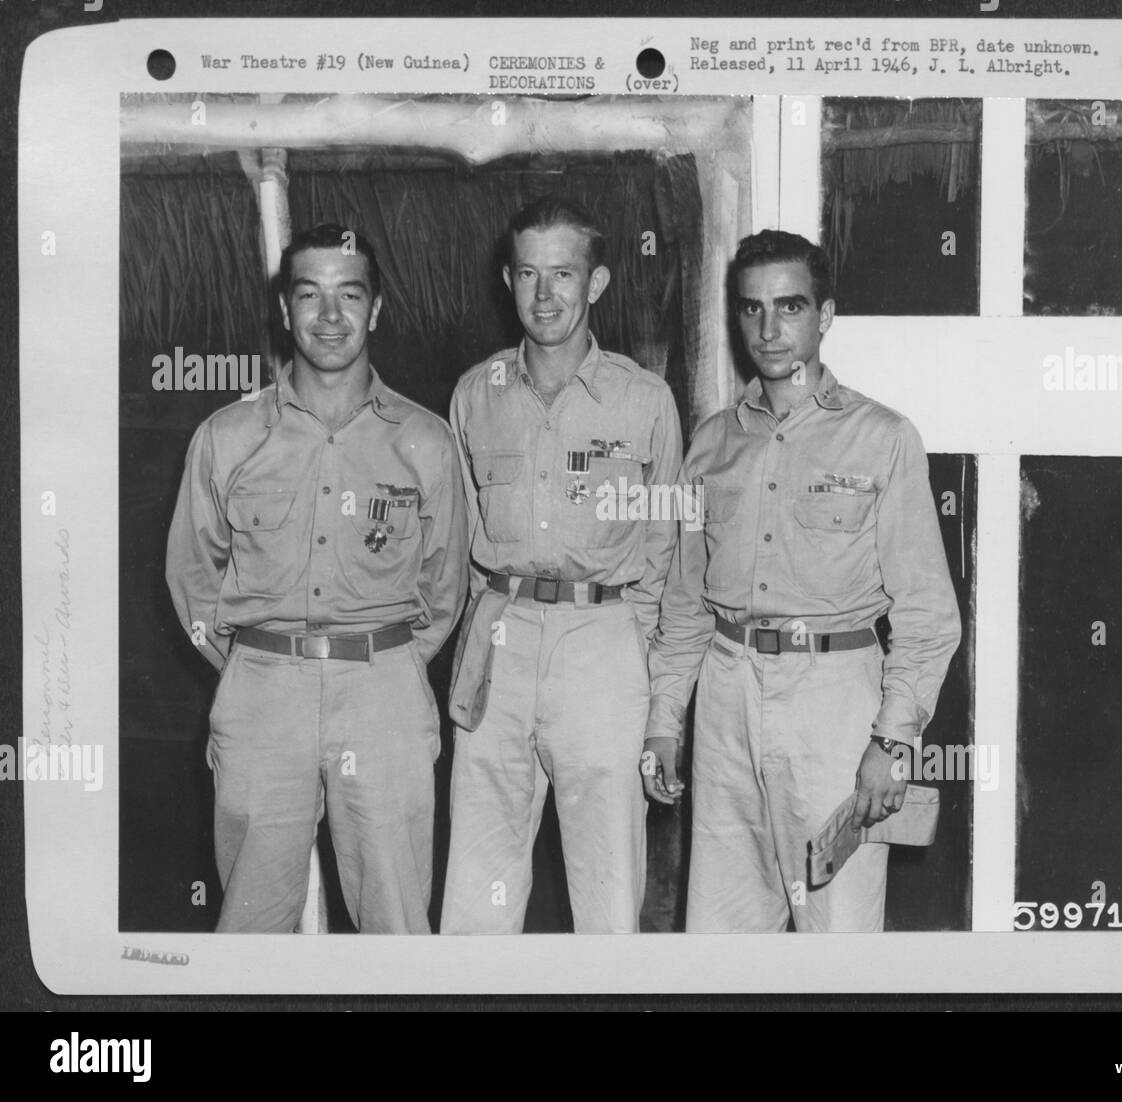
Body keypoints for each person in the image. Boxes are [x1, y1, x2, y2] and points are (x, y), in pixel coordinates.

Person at [643, 229, 960, 933]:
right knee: (719, 945)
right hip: (725, 697)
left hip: (835, 703)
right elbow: (686, 605)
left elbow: (928, 615)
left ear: (824, 316)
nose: (769, 327)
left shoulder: (882, 437)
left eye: (789, 307)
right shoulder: (712, 443)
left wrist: (892, 742)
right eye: (752, 309)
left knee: (837, 939)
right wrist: (665, 719)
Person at [165, 223, 468, 934]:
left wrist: (384, 663)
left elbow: (445, 585)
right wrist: (251, 665)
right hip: (264, 696)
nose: (329, 317)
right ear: (283, 309)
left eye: (348, 295)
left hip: (384, 693)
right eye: (310, 294)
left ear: (377, 309)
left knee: (395, 924)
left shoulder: (423, 440)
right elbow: (191, 577)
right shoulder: (228, 437)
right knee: (250, 924)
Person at [440, 197, 683, 934]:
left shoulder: (644, 400)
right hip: (499, 635)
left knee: (608, 887)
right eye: (527, 274)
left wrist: (629, 652)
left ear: (598, 282)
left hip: (602, 640)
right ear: (508, 280)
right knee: (477, 887)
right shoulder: (475, 395)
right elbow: (459, 540)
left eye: (564, 274)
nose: (544, 295)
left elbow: (666, 551)